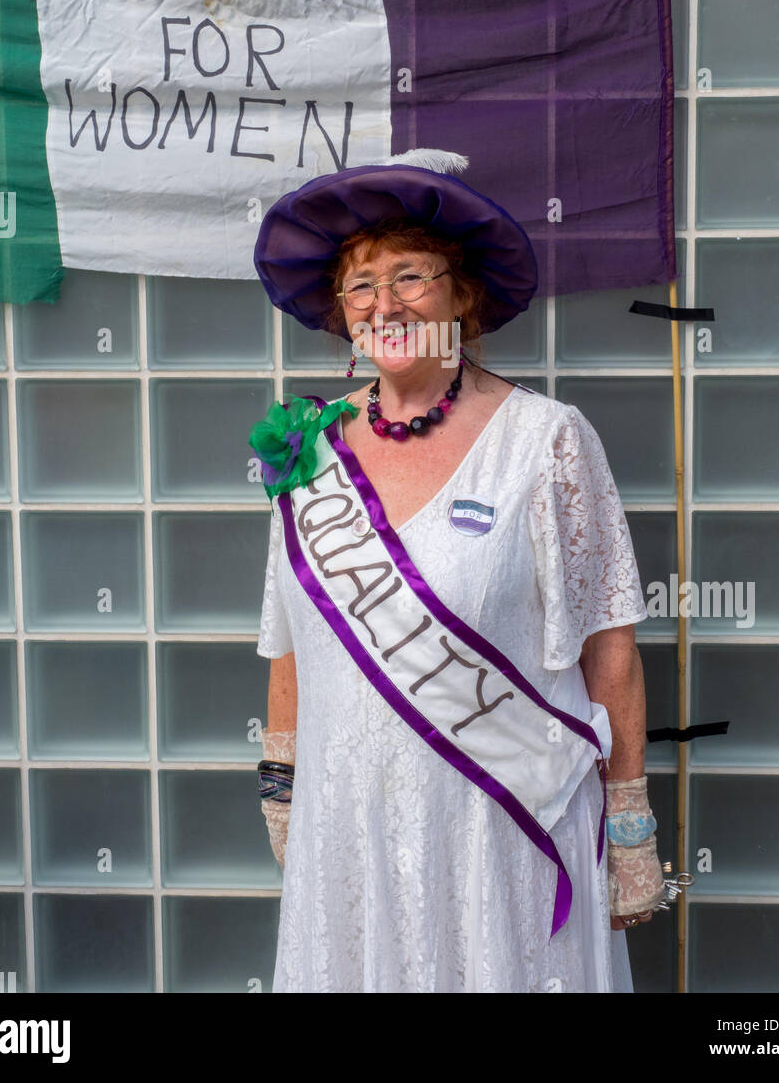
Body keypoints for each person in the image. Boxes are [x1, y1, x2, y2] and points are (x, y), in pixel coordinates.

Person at [249, 150, 667, 993]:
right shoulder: (309, 450)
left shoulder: (546, 439)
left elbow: (609, 649)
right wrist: (282, 789)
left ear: (461, 296)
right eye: (361, 285)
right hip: (353, 831)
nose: (385, 303)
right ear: (341, 312)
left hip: (500, 826)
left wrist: (629, 830)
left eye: (410, 276)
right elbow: (290, 639)